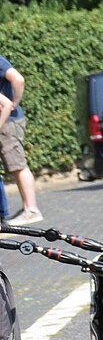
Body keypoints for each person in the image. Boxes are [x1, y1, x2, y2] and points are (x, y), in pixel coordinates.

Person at [0, 50, 43, 224]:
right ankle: (28, 207)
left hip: (8, 121)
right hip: (7, 118)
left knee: (18, 166)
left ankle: (31, 209)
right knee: (14, 166)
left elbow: (18, 79)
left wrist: (13, 105)